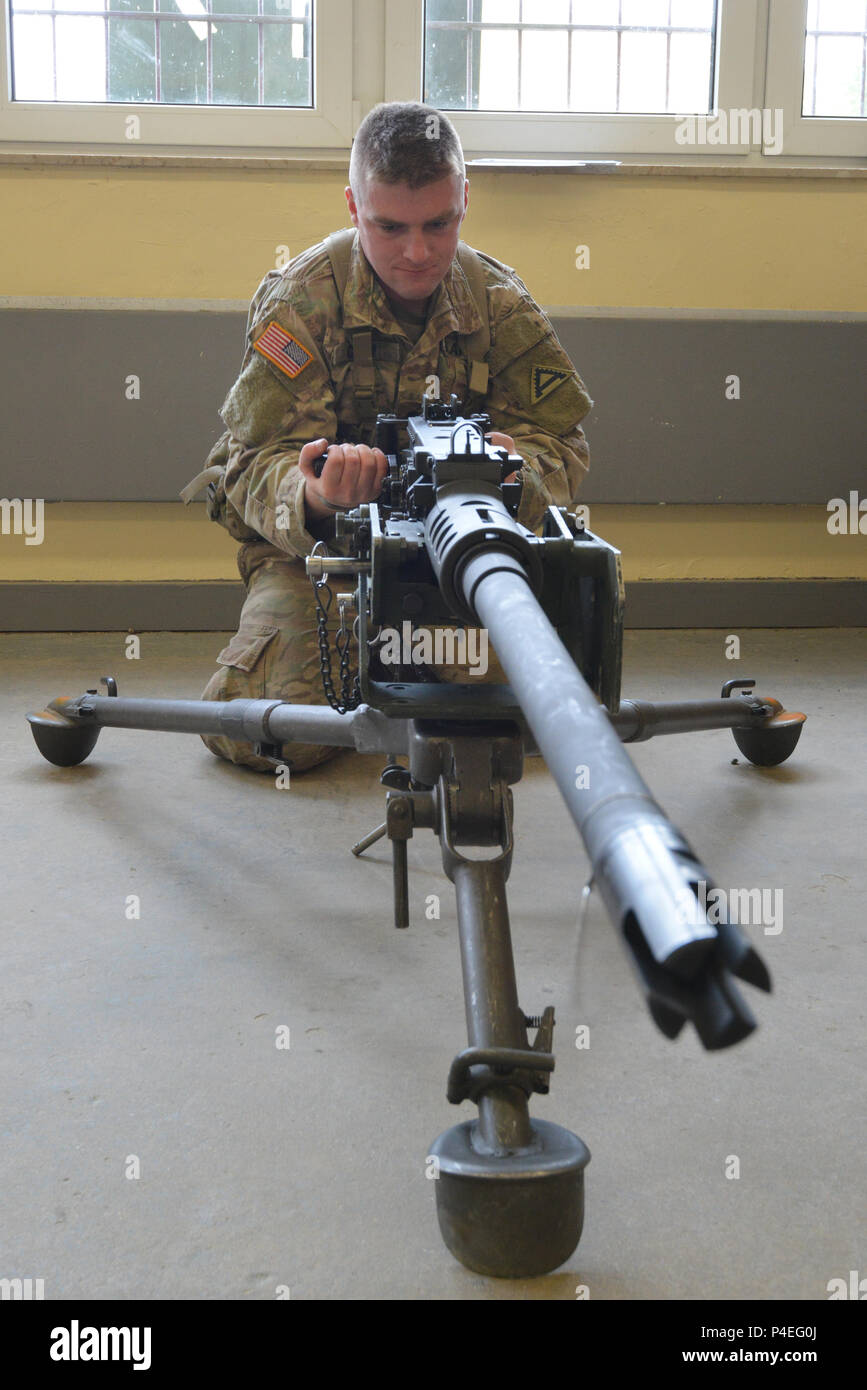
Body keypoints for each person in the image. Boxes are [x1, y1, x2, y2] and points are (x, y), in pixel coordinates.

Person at [186, 101, 593, 773]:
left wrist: (517, 470)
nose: (417, 251)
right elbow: (248, 464)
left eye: (440, 223)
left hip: (464, 552)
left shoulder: (500, 304)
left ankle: (411, 661)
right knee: (273, 738)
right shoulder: (303, 301)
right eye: (388, 226)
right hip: (327, 559)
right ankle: (388, 657)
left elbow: (561, 441)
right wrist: (315, 494)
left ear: (465, 198)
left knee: (545, 719)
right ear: (352, 205)